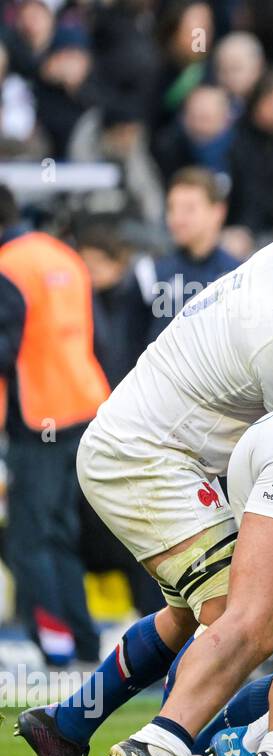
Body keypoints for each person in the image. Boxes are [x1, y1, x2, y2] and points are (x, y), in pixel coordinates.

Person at [17, 181, 273, 756]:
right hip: (148, 459)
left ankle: (67, 725)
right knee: (249, 619)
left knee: (193, 615)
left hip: (158, 447)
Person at [0, 186, 109, 673]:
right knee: (61, 533)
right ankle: (83, 642)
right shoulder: (60, 255)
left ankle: (56, 647)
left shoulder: (8, 267)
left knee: (28, 539)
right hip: (83, 406)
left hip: (37, 414)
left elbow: (4, 351)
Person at [144, 167, 241, 342]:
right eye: (172, 208)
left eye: (189, 209)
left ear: (218, 212)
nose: (177, 219)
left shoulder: (237, 276)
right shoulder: (151, 273)